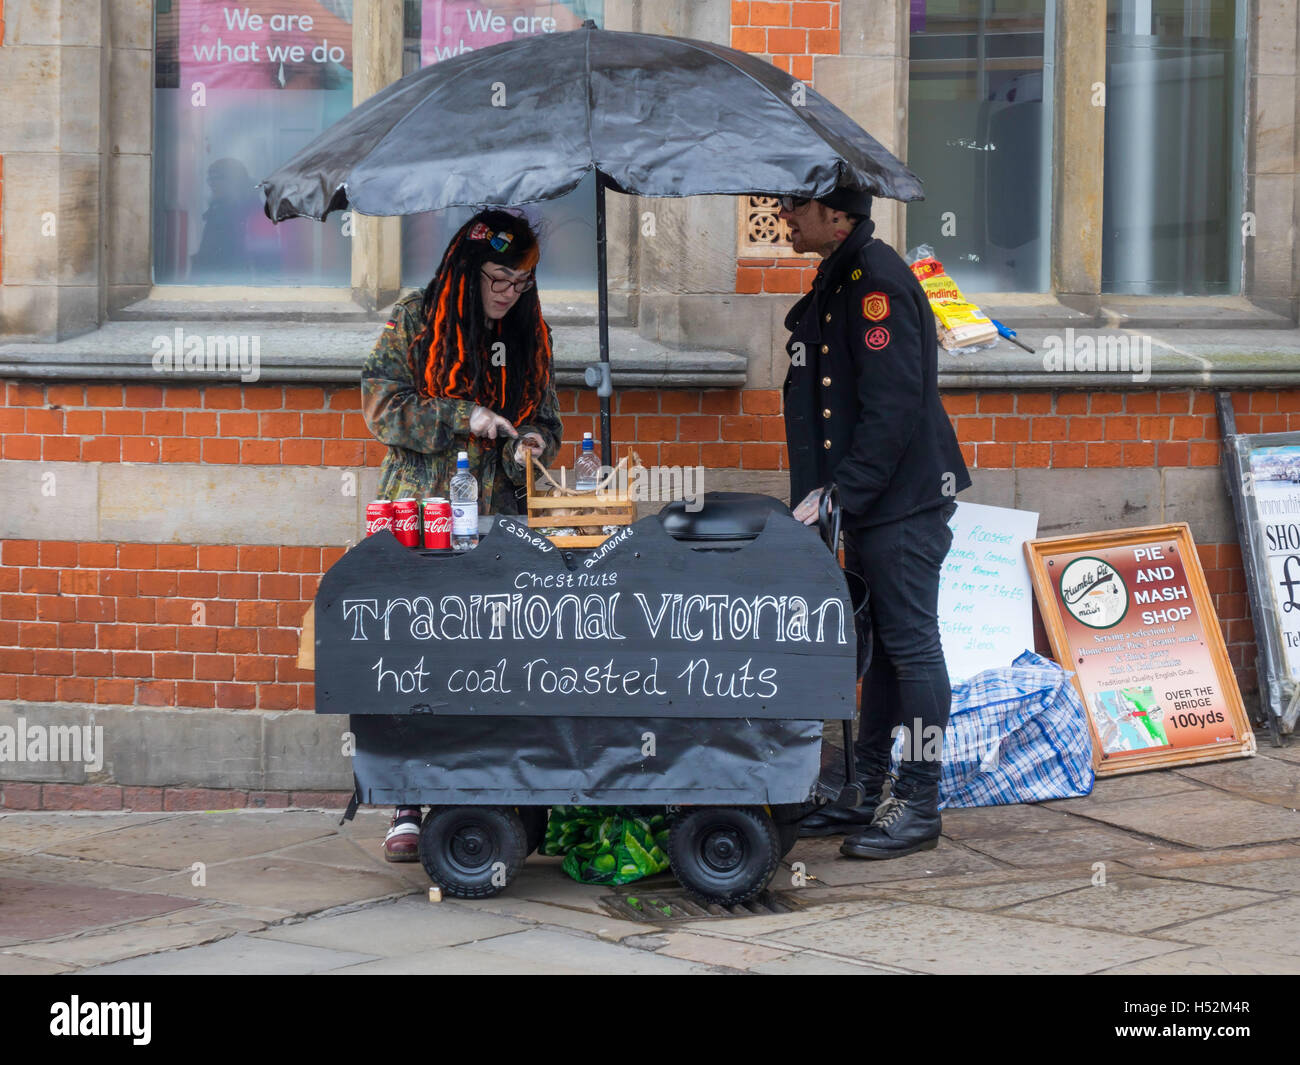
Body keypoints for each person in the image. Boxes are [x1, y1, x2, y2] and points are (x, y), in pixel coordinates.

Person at [361, 209, 564, 860]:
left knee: (489, 656)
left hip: (501, 514)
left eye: (523, 283)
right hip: (423, 509)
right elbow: (380, 405)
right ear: (467, 270)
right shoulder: (417, 316)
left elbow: (548, 421)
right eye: (501, 280)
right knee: (418, 650)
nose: (511, 294)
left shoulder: (530, 329)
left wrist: (533, 441)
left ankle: (476, 795)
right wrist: (462, 416)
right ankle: (407, 800)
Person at [778, 188, 970, 859]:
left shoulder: (876, 281)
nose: (784, 215)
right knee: (882, 647)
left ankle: (918, 801)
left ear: (839, 215)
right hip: (874, 501)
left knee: (912, 646)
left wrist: (843, 495)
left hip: (904, 502)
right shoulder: (845, 274)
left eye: (796, 204)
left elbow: (893, 407)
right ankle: (863, 789)